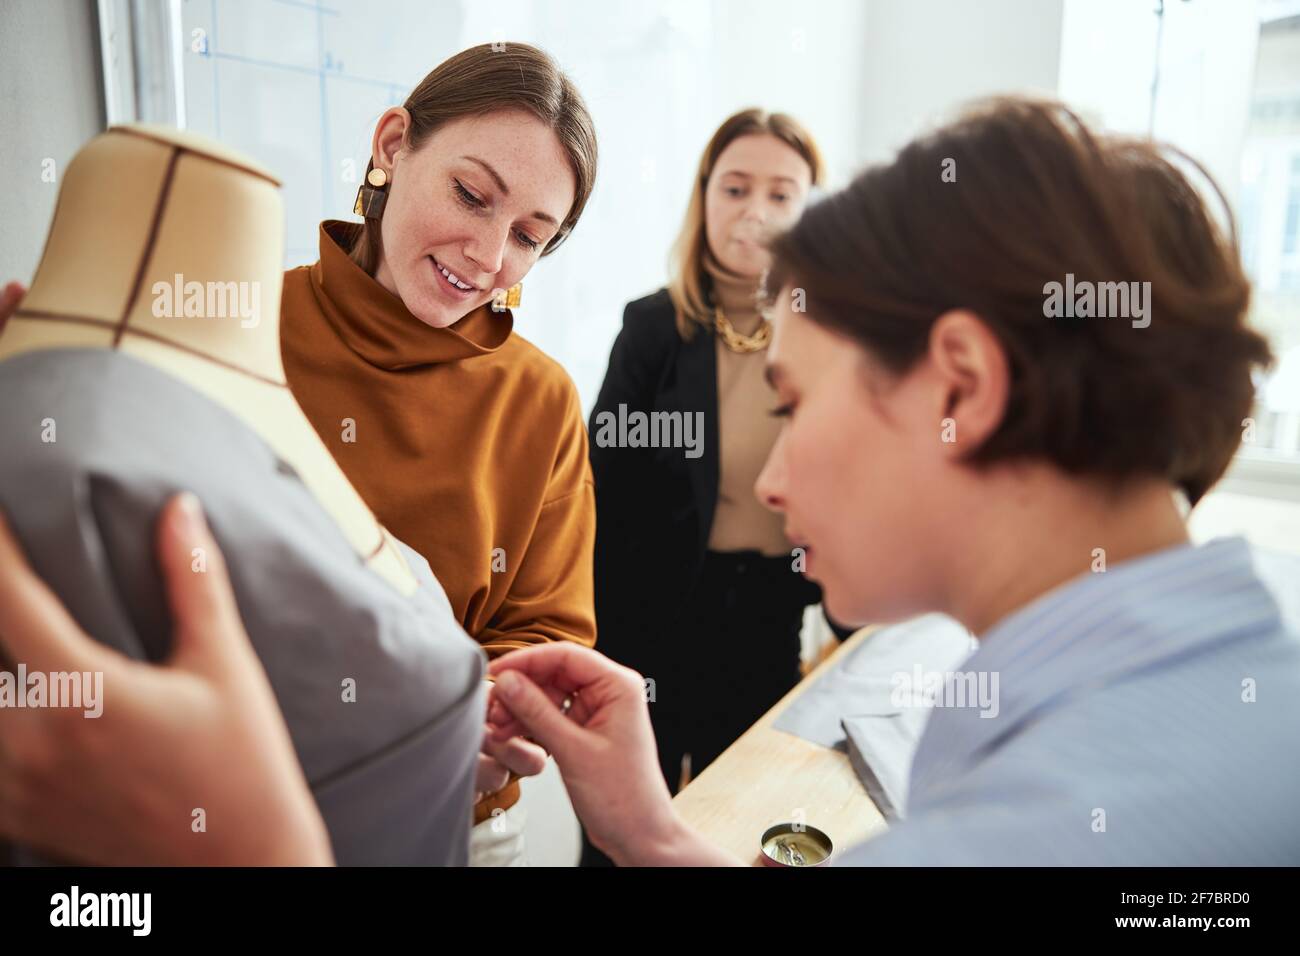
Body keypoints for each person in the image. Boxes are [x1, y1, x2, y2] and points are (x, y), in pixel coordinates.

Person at [3, 96, 1299, 865]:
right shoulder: (1152, 708)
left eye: (793, 405)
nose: (773, 478)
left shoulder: (1086, 823)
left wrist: (252, 847)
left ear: (958, 389)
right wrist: (661, 838)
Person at [1, 42, 601, 866]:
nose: (489, 256)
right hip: (176, 803)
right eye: (470, 194)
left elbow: (543, 633)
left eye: (532, 236)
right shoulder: (228, 329)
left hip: (451, 810)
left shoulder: (541, 400)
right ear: (393, 146)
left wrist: (493, 721)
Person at [589, 109, 835, 814]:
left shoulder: (829, 338)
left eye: (782, 193)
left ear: (809, 209)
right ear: (704, 198)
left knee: (742, 829)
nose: (755, 211)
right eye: (734, 188)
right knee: (623, 841)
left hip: (766, 623)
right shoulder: (652, 329)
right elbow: (596, 490)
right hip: (649, 630)